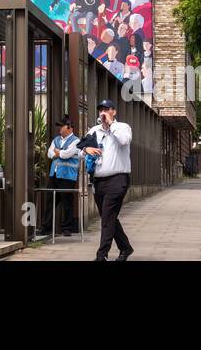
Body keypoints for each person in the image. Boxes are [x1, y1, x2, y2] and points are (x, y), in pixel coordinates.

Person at [82, 98, 134, 261]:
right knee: (108, 217)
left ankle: (101, 255)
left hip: (117, 180)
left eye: (107, 109)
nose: (103, 112)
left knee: (107, 217)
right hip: (98, 181)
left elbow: (124, 140)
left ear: (114, 111)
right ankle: (125, 248)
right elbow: (79, 151)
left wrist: (111, 124)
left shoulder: (122, 127)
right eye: (101, 109)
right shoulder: (94, 131)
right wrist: (85, 149)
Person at [43, 116, 81, 236]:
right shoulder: (56, 139)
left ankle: (67, 228)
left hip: (67, 176)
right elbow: (49, 153)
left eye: (62, 126)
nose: (59, 128)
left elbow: (67, 154)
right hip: (54, 174)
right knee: (50, 201)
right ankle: (46, 227)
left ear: (69, 128)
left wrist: (58, 152)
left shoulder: (76, 141)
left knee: (67, 203)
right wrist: (58, 153)